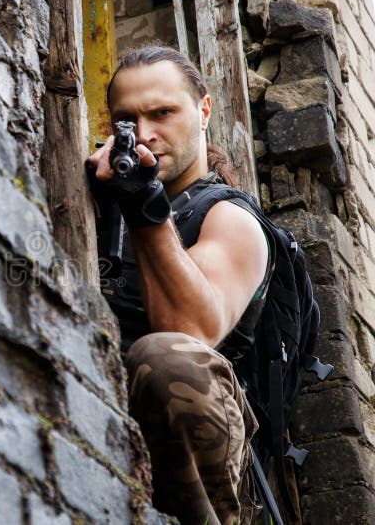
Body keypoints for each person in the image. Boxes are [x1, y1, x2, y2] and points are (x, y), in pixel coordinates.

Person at [85, 46, 269, 524]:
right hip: (93, 428)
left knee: (163, 357)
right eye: (128, 118)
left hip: (199, 468)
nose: (145, 133)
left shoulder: (229, 219)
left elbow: (186, 331)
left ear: (204, 109)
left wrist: (143, 207)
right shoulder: (94, 203)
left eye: (163, 112)